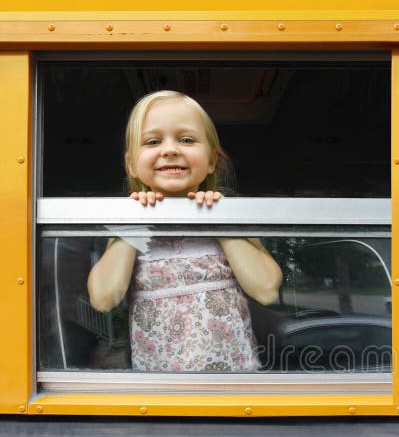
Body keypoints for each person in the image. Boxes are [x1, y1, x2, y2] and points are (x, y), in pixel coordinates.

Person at [87, 90, 283, 371]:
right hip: (161, 392)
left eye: (187, 140)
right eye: (153, 141)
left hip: (233, 386)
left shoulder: (230, 217)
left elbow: (266, 290)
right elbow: (104, 298)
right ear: (131, 164)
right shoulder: (129, 225)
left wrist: (218, 220)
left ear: (212, 160)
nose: (170, 150)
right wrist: (135, 222)